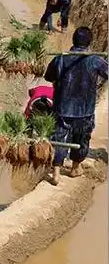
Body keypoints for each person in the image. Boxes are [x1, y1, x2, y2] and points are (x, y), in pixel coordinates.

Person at [43, 26, 108, 185]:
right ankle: (75, 168)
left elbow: (48, 76)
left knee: (58, 137)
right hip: (84, 110)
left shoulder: (61, 58)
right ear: (89, 42)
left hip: (62, 108)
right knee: (82, 138)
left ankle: (56, 173)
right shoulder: (95, 60)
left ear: (73, 40)